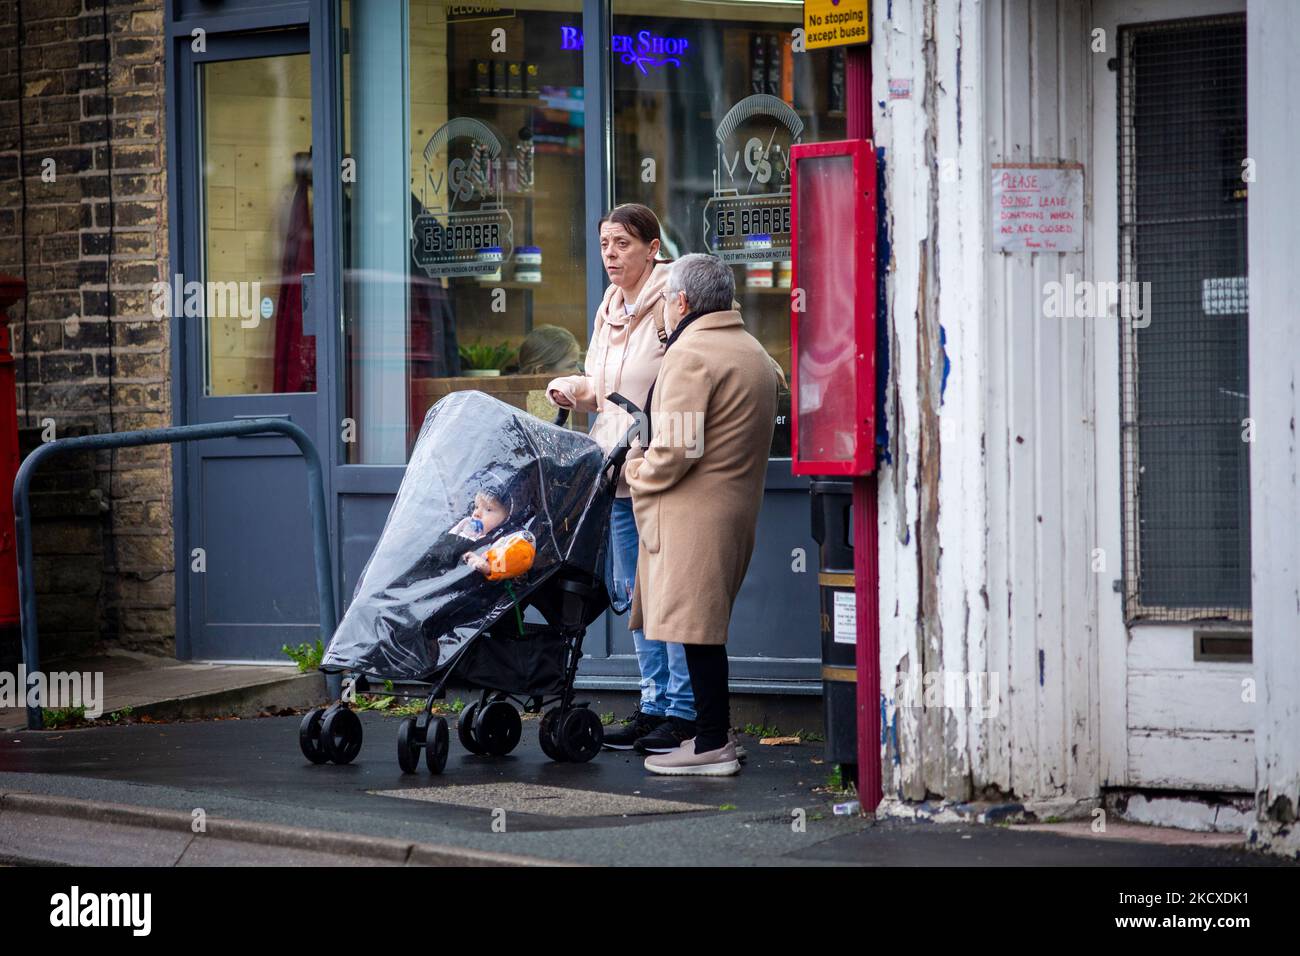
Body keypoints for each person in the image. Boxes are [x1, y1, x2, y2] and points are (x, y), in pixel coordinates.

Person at [546, 203, 698, 754]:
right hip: (614, 472)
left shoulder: (670, 303)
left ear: (652, 248)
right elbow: (602, 383)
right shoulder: (611, 304)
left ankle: (683, 711)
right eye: (605, 244)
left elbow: (680, 384)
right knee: (633, 594)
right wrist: (571, 387)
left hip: (657, 472)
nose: (611, 255)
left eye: (623, 244)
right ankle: (653, 703)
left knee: (668, 594)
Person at [626, 254, 782, 776]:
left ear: (683, 302)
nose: (664, 309)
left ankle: (711, 743)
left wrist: (636, 469)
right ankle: (714, 735)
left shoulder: (692, 354)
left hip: (695, 514)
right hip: (733, 509)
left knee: (697, 629)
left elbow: (677, 448)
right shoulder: (750, 348)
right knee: (703, 626)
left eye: (667, 298)